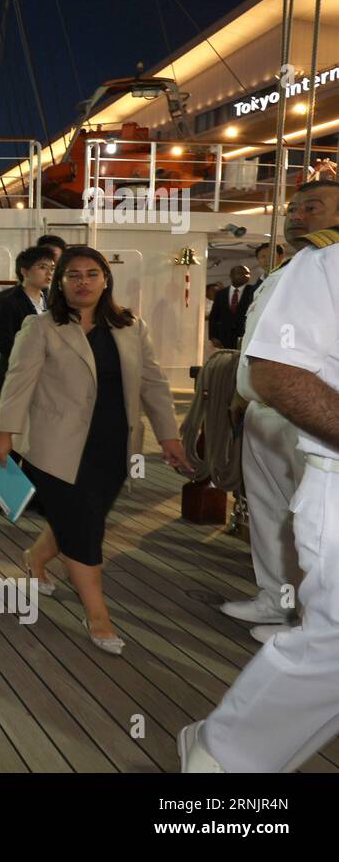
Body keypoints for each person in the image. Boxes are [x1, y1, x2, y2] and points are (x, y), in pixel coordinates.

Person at [181, 199, 339, 773]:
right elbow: (270, 366)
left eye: (315, 202)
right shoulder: (322, 267)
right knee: (335, 642)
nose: (301, 210)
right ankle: (225, 760)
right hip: (308, 435)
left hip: (296, 424)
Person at [0, 246, 191, 655]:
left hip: (115, 447)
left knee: (81, 518)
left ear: (106, 279)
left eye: (92, 274)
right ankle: (98, 614)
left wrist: (169, 436)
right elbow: (18, 382)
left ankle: (35, 556)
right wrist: (4, 431)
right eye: (73, 275)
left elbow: (152, 384)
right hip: (56, 449)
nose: (83, 282)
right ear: (60, 283)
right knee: (85, 532)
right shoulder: (41, 327)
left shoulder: (132, 326)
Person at [221, 181, 339, 642]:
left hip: (308, 416)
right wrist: (238, 397)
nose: (297, 214)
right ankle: (277, 598)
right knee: (268, 510)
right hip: (262, 411)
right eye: (293, 207)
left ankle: (307, 624)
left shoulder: (327, 266)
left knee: (310, 517)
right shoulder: (290, 268)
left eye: (312, 206)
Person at [0, 245, 54, 392]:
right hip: (18, 372)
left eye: (52, 268)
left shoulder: (54, 300)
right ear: (24, 271)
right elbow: (5, 342)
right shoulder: (6, 301)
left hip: (49, 375)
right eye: (42, 267)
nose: (49, 273)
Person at [208, 264, 255, 349]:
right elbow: (214, 316)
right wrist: (213, 336)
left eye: (247, 273)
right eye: (240, 273)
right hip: (224, 337)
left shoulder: (253, 291)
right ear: (231, 275)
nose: (245, 276)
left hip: (245, 336)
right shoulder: (221, 294)